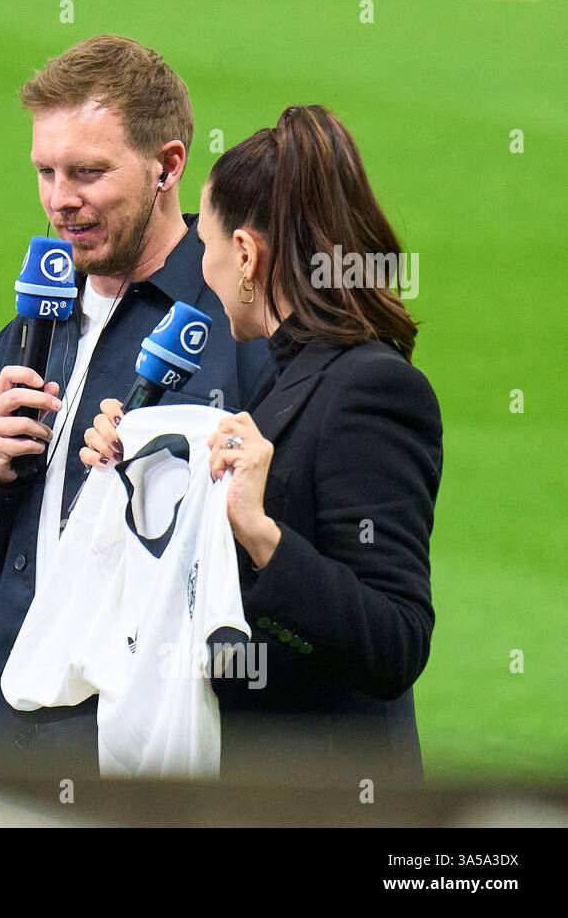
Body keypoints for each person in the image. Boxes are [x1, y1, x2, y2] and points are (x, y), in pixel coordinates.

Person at [0, 36, 275, 778]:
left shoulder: (234, 332)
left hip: (142, 760)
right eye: (45, 172)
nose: (60, 199)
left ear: (167, 166)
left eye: (87, 172)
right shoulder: (31, 333)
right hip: (9, 754)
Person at [83, 105, 442, 786]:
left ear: (246, 255)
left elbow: (395, 641)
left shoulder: (372, 391)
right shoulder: (286, 382)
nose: (204, 270)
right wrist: (139, 463)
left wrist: (261, 534)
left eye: (207, 246)